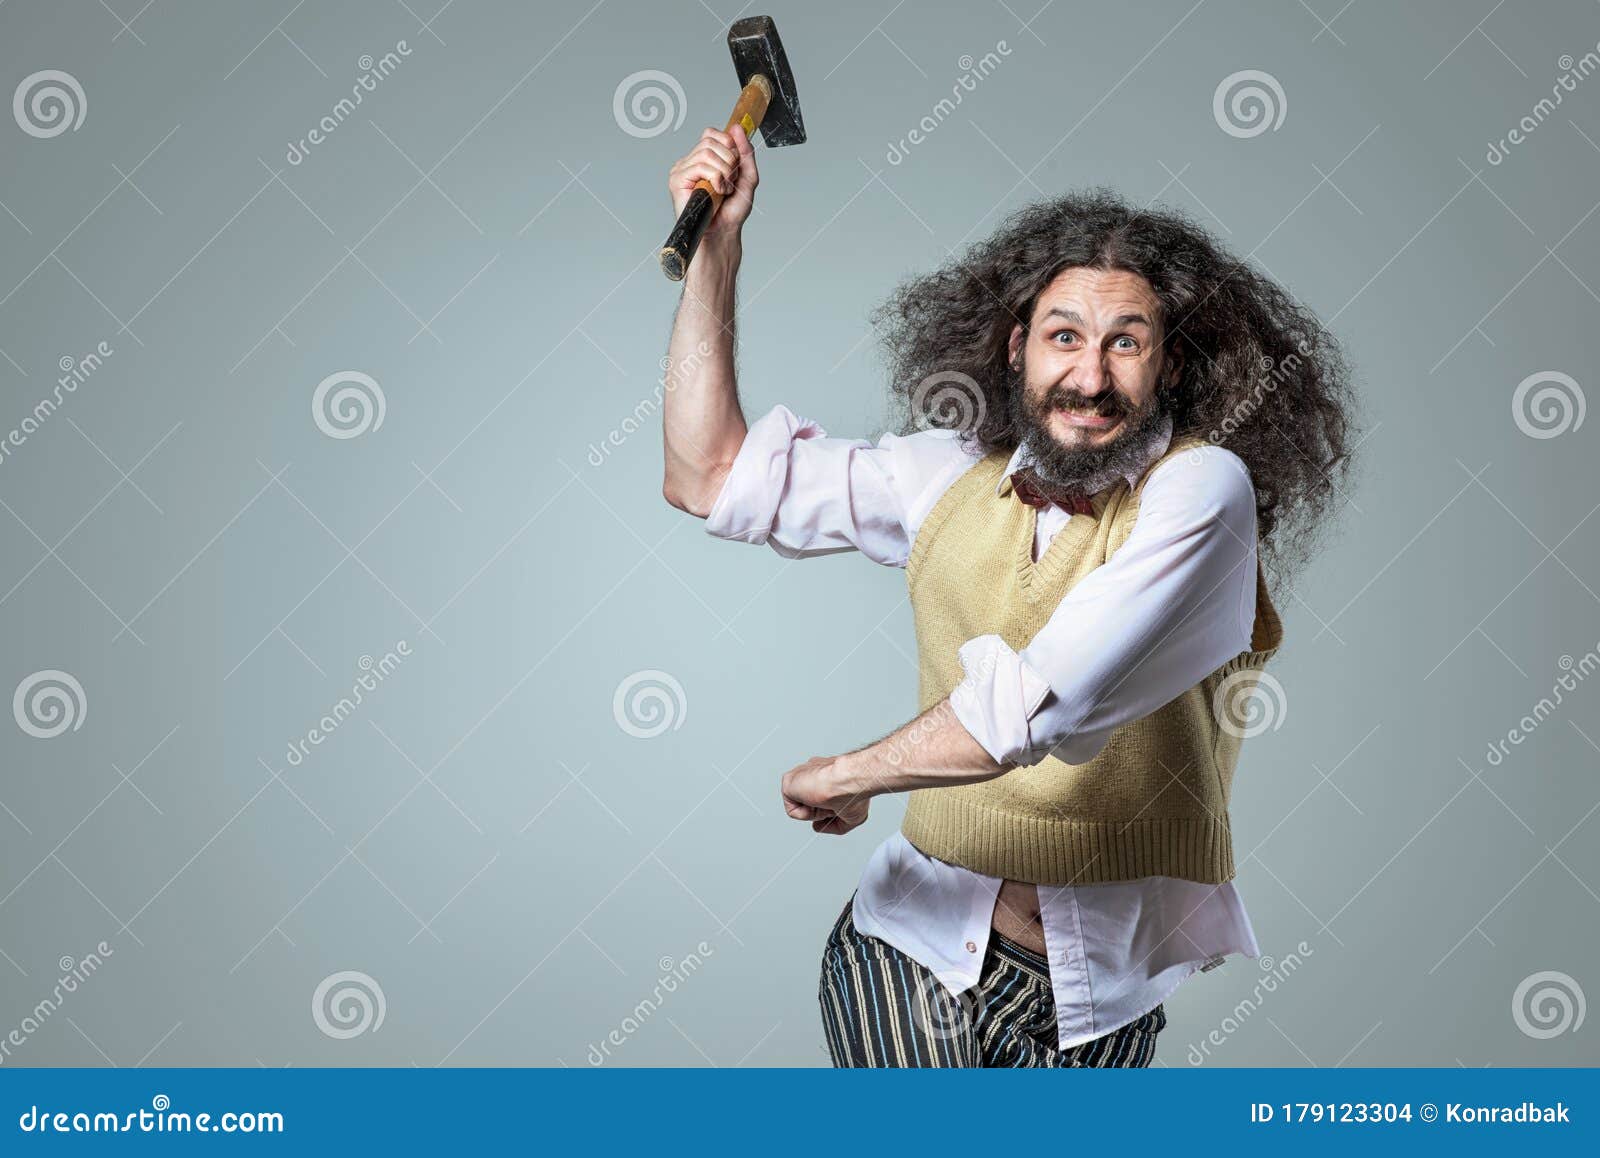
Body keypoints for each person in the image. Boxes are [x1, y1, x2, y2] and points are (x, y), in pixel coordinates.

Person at [660, 123, 1357, 1067]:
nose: (1090, 376)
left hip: (1102, 996)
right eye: (1065, 338)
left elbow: (1035, 703)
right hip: (910, 948)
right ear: (1019, 347)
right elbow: (709, 473)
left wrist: (847, 774)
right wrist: (718, 248)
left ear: (1174, 366)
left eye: (1127, 344)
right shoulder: (945, 472)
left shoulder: (1203, 493)